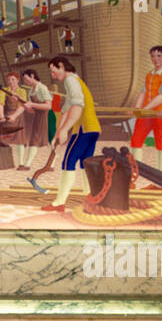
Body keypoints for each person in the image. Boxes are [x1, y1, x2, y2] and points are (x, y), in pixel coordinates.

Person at [42, 57, 101, 214]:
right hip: (92, 129)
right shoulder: (75, 81)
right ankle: (90, 198)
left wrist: (64, 130)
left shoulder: (70, 80)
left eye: (53, 70)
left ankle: (59, 203)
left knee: (68, 162)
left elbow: (77, 106)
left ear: (62, 66)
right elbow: (66, 111)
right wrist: (57, 134)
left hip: (83, 129)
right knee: (85, 163)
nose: (53, 75)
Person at [130, 45, 162, 173]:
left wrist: (145, 108)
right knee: (136, 140)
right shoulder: (150, 74)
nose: (155, 59)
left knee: (161, 143)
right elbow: (143, 92)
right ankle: (135, 172)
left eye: (159, 56)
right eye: (152, 56)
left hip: (161, 113)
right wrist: (137, 108)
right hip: (146, 114)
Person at [19, 68, 52, 166]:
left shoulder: (42, 88)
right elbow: (31, 110)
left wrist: (32, 104)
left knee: (35, 140)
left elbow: (48, 106)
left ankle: (27, 164)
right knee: (43, 141)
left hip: (45, 117)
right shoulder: (30, 91)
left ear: (32, 76)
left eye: (26, 79)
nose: (25, 82)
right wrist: (22, 102)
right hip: (36, 117)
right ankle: (52, 163)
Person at [0, 71, 29, 168]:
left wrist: (14, 116)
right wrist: (1, 116)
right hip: (5, 117)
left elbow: (22, 106)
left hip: (18, 117)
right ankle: (2, 162)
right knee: (2, 140)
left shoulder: (22, 91)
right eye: (9, 80)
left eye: (13, 79)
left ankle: (20, 164)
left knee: (20, 141)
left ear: (18, 80)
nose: (11, 82)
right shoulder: (3, 90)